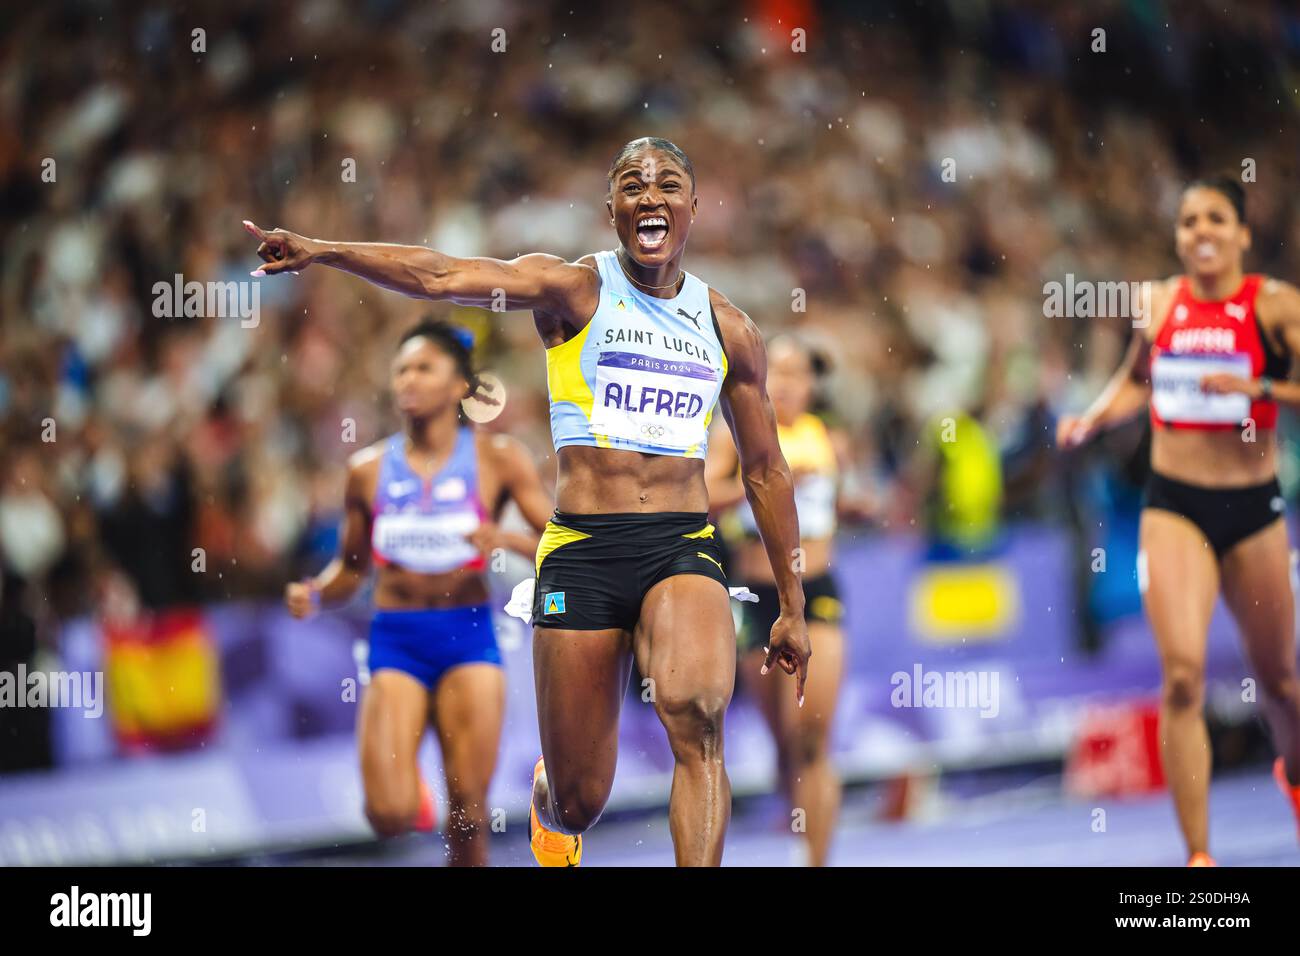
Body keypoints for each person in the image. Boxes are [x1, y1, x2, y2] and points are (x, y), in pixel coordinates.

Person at [249, 135, 810, 867]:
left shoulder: (729, 328)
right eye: (631, 186)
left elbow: (767, 471)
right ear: (611, 209)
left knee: (698, 718)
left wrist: (792, 602)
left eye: (668, 184)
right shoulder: (572, 289)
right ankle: (553, 798)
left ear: (693, 208)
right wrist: (325, 250)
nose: (650, 196)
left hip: (682, 541)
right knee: (581, 798)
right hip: (582, 548)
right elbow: (443, 274)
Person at [1057, 175, 1300, 865]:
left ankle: (1296, 775)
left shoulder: (1276, 306)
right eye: (1189, 221)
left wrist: (1258, 387)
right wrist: (1093, 417)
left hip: (1253, 510)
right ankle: (1198, 856)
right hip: (1175, 504)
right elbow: (1138, 379)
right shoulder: (1158, 302)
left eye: (1216, 219)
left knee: (1280, 679)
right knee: (1184, 676)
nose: (1201, 232)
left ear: (1243, 234)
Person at [285, 318, 552, 867]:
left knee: (471, 818)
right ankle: (422, 790)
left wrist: (504, 538)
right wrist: (315, 592)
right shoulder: (365, 471)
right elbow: (351, 569)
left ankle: (457, 797)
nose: (407, 379)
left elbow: (561, 540)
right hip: (396, 642)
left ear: (459, 386)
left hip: (469, 637)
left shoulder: (499, 459)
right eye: (401, 368)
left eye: (424, 368)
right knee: (388, 813)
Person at [705, 333, 851, 866]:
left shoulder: (828, 438)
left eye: (801, 376)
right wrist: (765, 481)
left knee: (812, 739)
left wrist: (852, 502)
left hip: (818, 594)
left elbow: (837, 505)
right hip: (758, 596)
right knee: (786, 745)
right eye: (781, 374)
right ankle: (794, 826)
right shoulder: (735, 435)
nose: (790, 385)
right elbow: (699, 496)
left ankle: (816, 860)